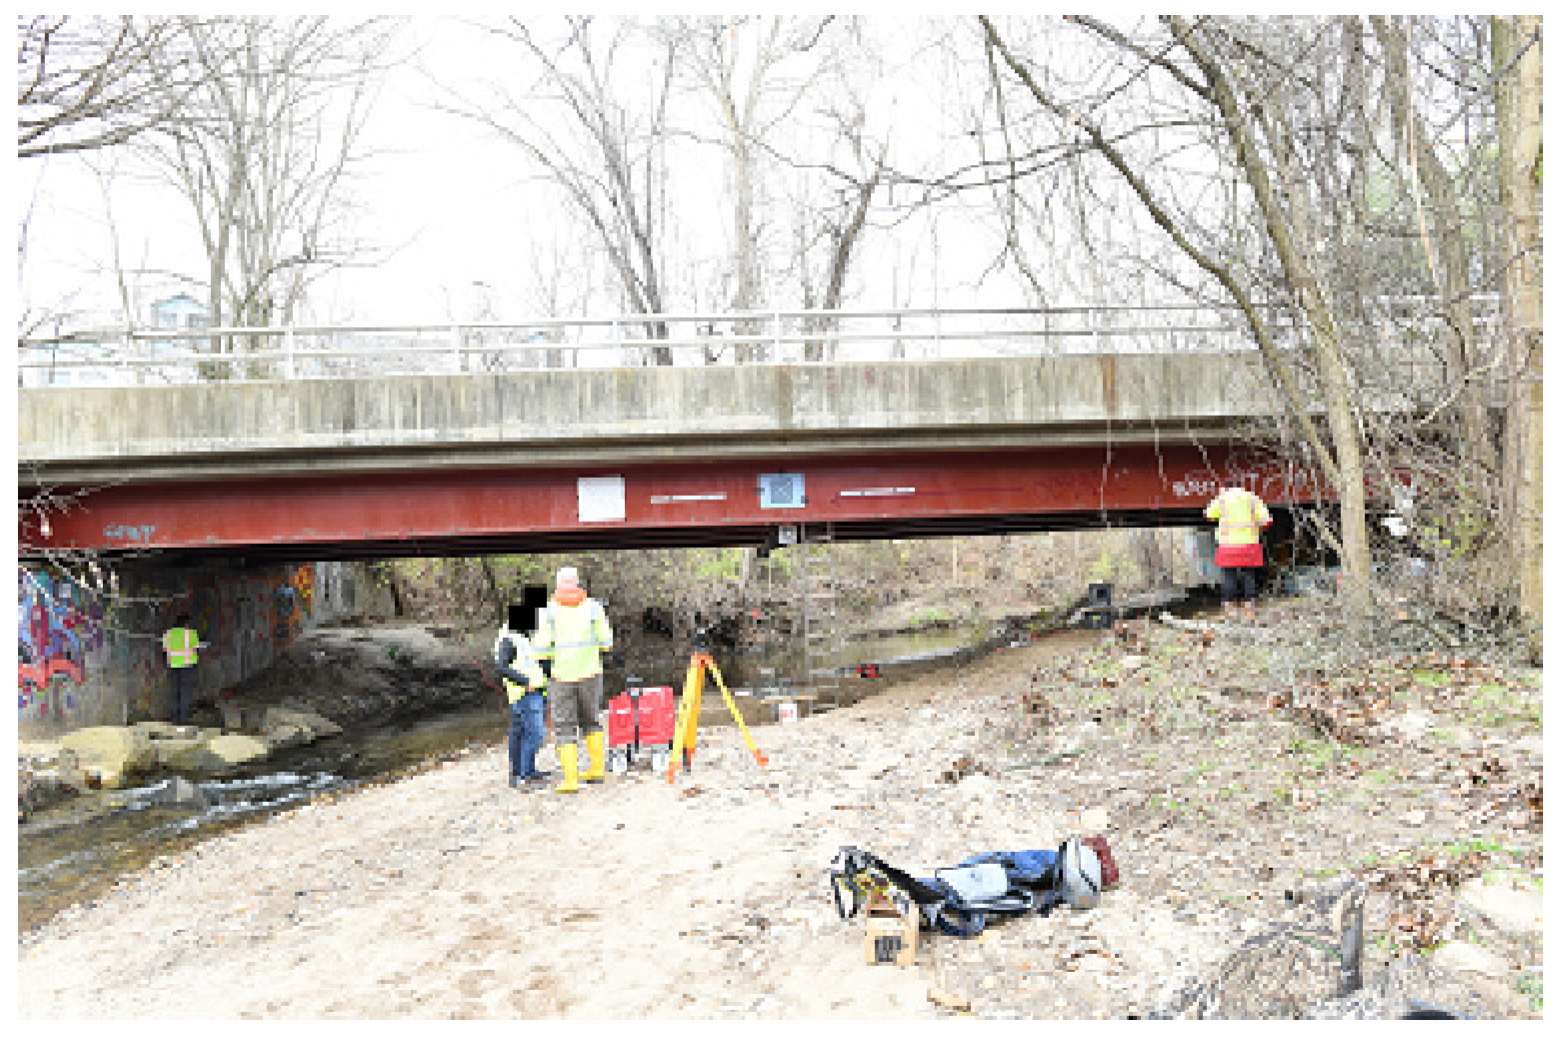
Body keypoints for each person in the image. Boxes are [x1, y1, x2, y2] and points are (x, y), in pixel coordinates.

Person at [532, 566, 614, 793]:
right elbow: (607, 643)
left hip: (561, 677)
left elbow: (540, 649)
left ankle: (571, 780)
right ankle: (596, 770)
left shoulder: (547, 610)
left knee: (564, 727)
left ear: (558, 584)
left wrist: (546, 665)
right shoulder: (594, 607)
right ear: (577, 583)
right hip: (590, 674)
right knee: (592, 721)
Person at [494, 586, 550, 789]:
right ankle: (525, 777)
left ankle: (522, 772)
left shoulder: (523, 632)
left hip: (529, 691)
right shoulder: (511, 636)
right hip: (525, 692)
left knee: (519, 733)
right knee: (535, 733)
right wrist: (525, 682)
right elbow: (501, 666)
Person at [1205, 483, 1272, 618]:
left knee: (1229, 576)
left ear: (1227, 487)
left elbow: (1209, 515)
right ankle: (1249, 607)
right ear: (1243, 487)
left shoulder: (1222, 499)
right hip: (1249, 544)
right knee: (1249, 575)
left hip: (1228, 545)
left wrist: (1219, 497)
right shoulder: (1252, 498)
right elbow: (1266, 520)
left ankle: (1229, 607)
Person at [161, 613, 206, 724]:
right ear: (186, 623)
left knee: (174, 692)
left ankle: (175, 719)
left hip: (173, 666)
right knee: (185, 692)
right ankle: (183, 718)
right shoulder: (191, 634)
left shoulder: (168, 634)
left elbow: (164, 651)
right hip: (187, 666)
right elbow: (197, 649)